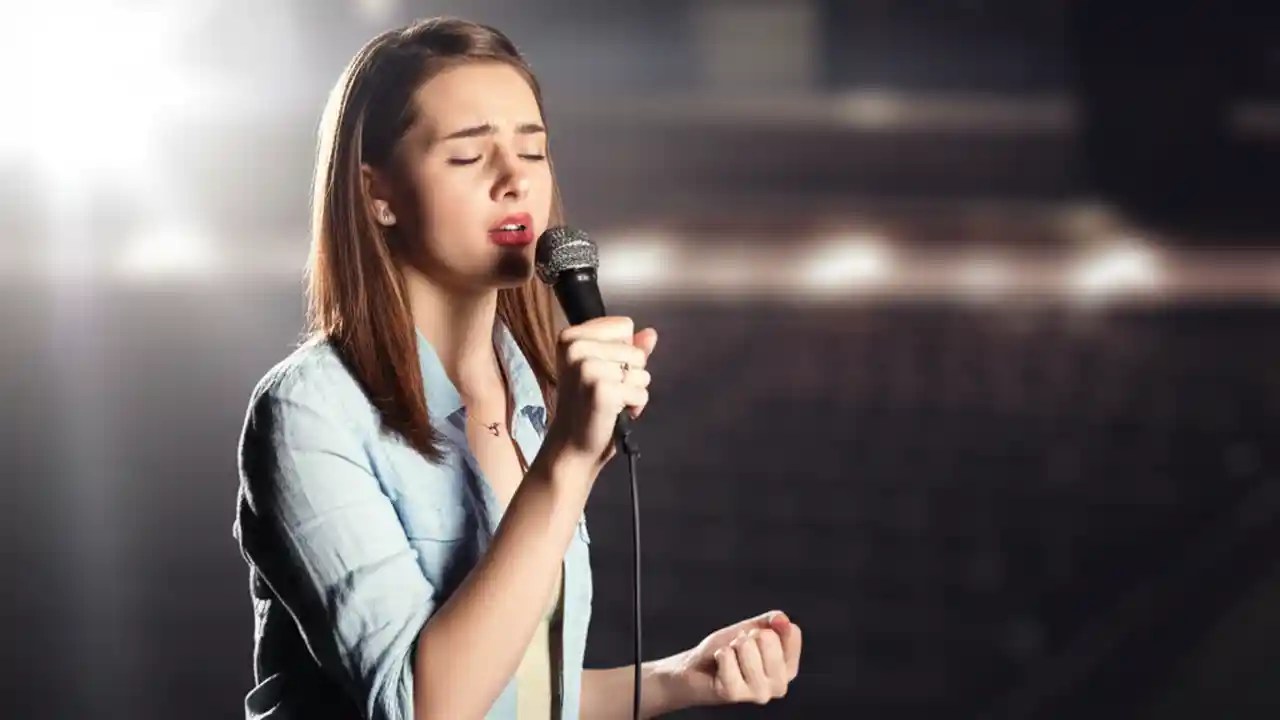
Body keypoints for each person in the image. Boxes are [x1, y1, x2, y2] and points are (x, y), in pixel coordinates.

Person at [232, 16, 802, 720]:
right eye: (470, 158)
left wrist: (681, 676)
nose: (515, 183)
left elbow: (523, 695)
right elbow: (426, 706)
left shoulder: (532, 392)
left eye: (533, 153)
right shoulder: (309, 413)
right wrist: (565, 465)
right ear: (376, 192)